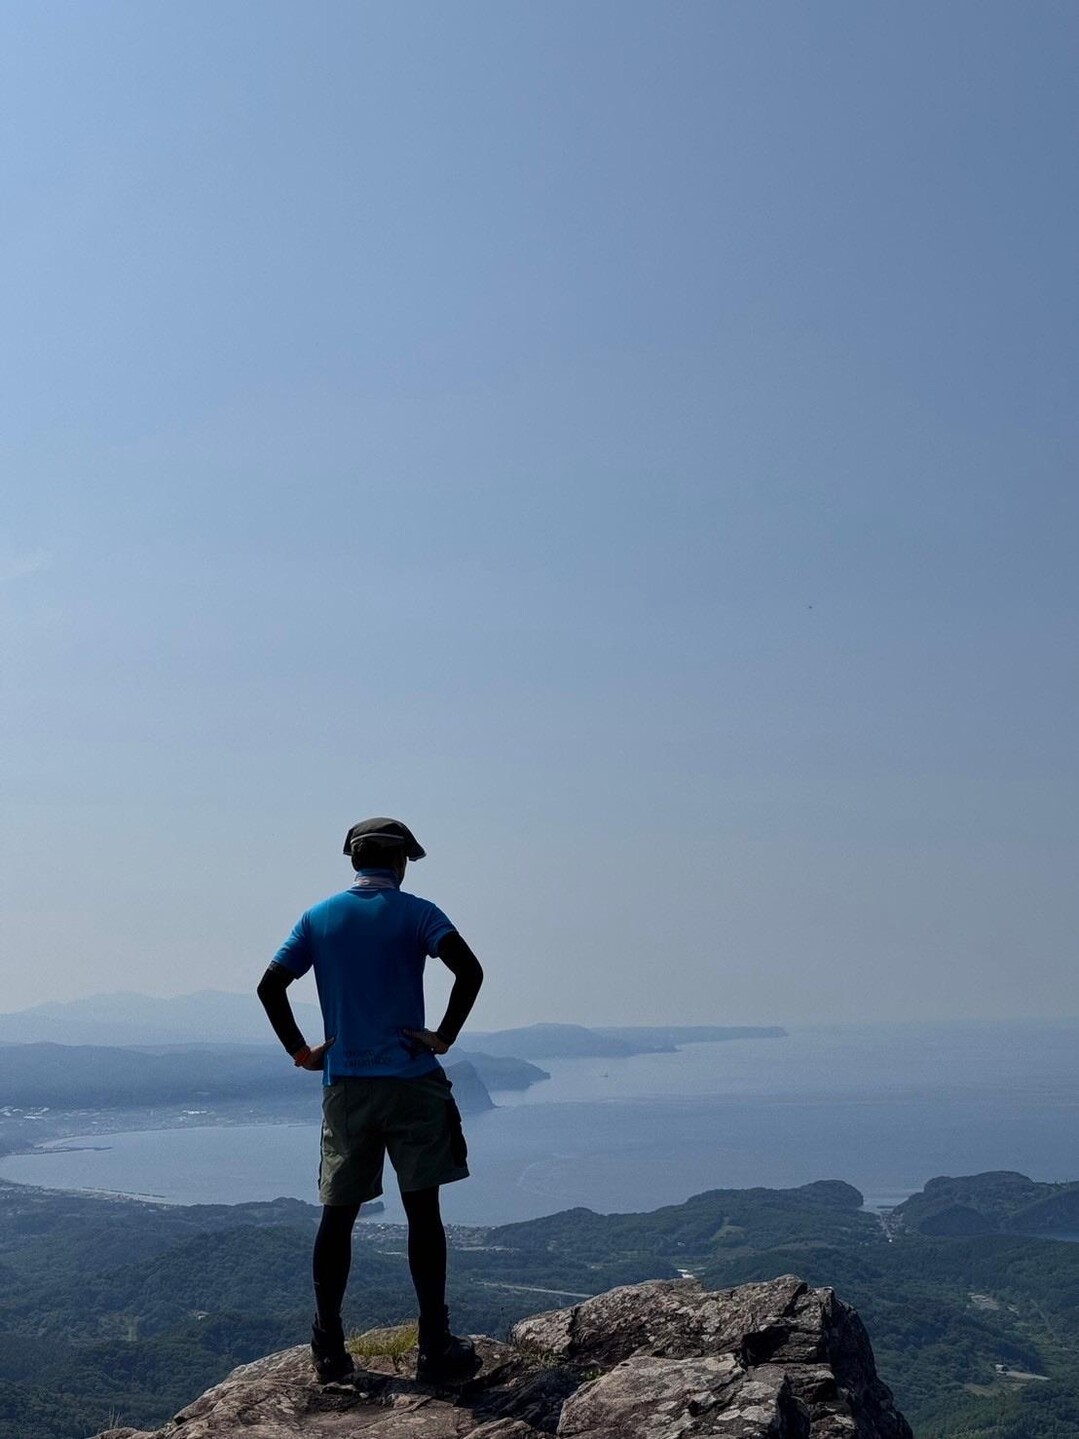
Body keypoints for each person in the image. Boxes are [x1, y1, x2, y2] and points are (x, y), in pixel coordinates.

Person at [256, 817, 484, 1385]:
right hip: (411, 1079)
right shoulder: (420, 914)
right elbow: (470, 970)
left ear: (353, 860)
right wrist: (444, 1035)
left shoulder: (319, 917)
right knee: (422, 1214)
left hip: (346, 1083)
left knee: (339, 1217)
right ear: (401, 861)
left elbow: (269, 986)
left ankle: (328, 1348)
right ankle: (434, 1345)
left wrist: (301, 1052)